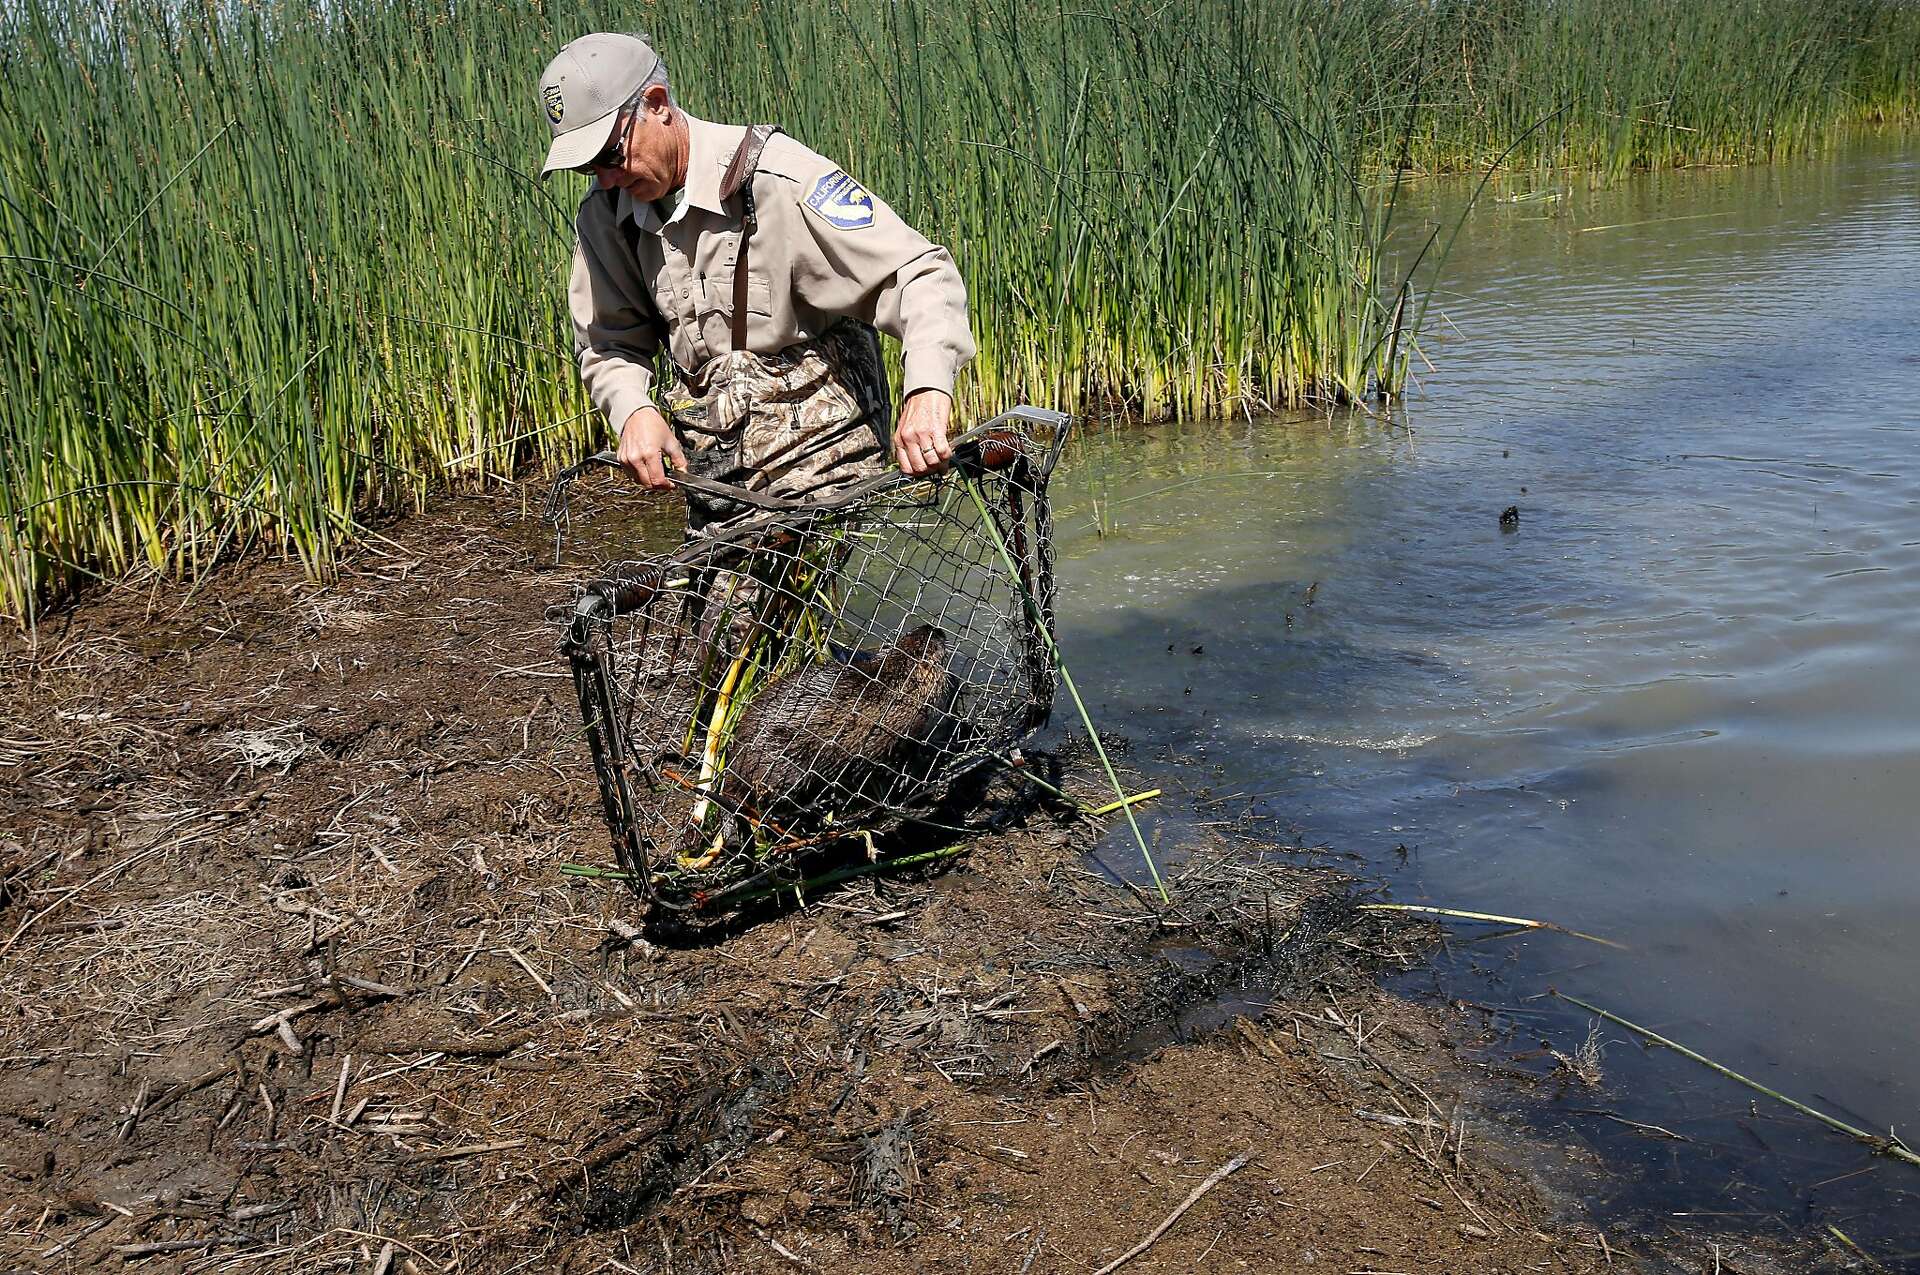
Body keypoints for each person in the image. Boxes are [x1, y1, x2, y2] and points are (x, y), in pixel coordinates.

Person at [536, 31, 975, 530]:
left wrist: (926, 392)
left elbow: (921, 273)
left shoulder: (780, 177)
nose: (606, 178)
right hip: (717, 463)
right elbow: (607, 343)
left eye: (610, 156)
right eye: (587, 168)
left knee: (761, 598)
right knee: (710, 604)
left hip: (823, 447)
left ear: (656, 105)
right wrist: (633, 410)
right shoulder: (604, 215)